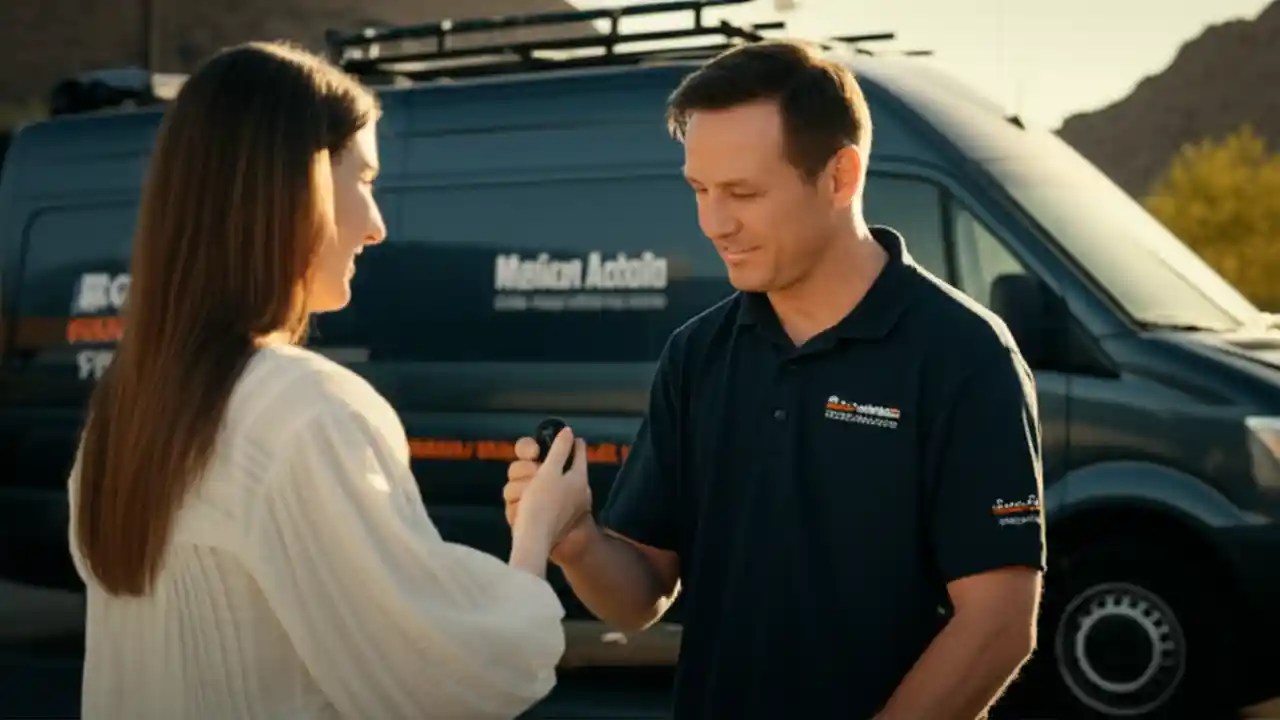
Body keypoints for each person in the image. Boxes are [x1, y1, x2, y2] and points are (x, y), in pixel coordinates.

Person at [503, 39, 1045, 720]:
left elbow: (997, 624)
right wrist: (577, 538)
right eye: (700, 190)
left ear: (840, 176)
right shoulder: (697, 354)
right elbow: (639, 598)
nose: (713, 222)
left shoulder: (964, 353)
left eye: (743, 192)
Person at [68, 40, 585, 720]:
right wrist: (538, 532)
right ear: (296, 184)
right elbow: (449, 678)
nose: (377, 227)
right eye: (364, 180)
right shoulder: (305, 410)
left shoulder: (126, 409)